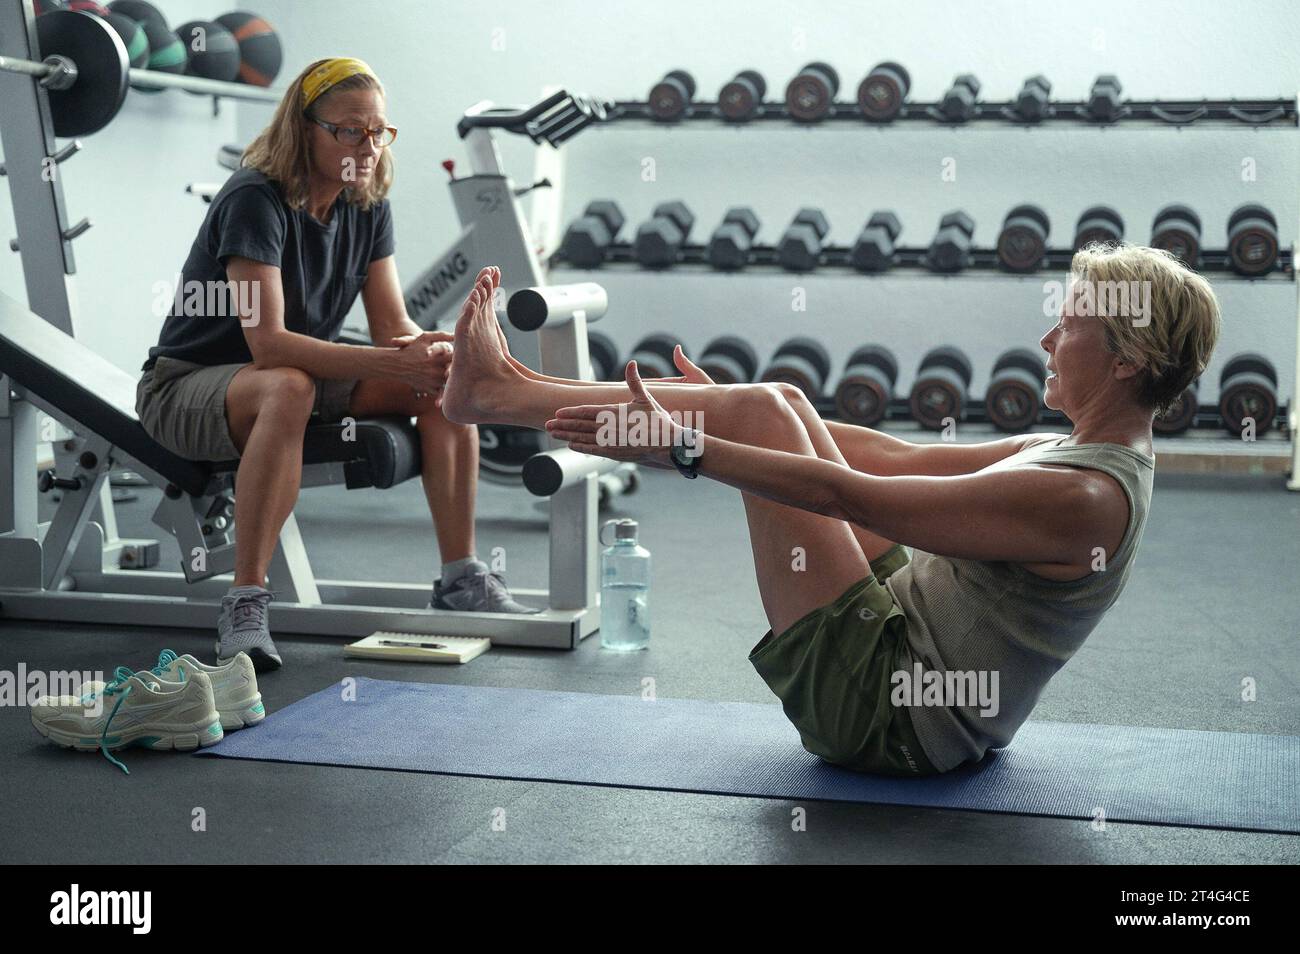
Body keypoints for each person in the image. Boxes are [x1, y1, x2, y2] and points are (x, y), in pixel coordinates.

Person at [443, 249, 1220, 775]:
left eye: (1072, 324)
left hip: (888, 718)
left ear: (1126, 361)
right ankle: (503, 388)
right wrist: (727, 413)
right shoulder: (1070, 452)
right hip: (910, 660)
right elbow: (894, 457)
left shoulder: (1080, 498)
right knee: (772, 403)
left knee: (758, 413)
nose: (1047, 337)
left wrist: (689, 445)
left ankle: (497, 395)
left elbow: (852, 495)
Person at [136, 58, 537, 673]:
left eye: (379, 132)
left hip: (289, 379)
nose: (369, 146)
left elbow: (391, 328)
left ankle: (461, 576)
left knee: (440, 384)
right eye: (350, 131)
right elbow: (268, 343)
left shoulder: (366, 200)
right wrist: (391, 362)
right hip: (186, 387)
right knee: (288, 386)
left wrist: (435, 346)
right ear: (305, 129)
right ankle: (244, 602)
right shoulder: (255, 199)